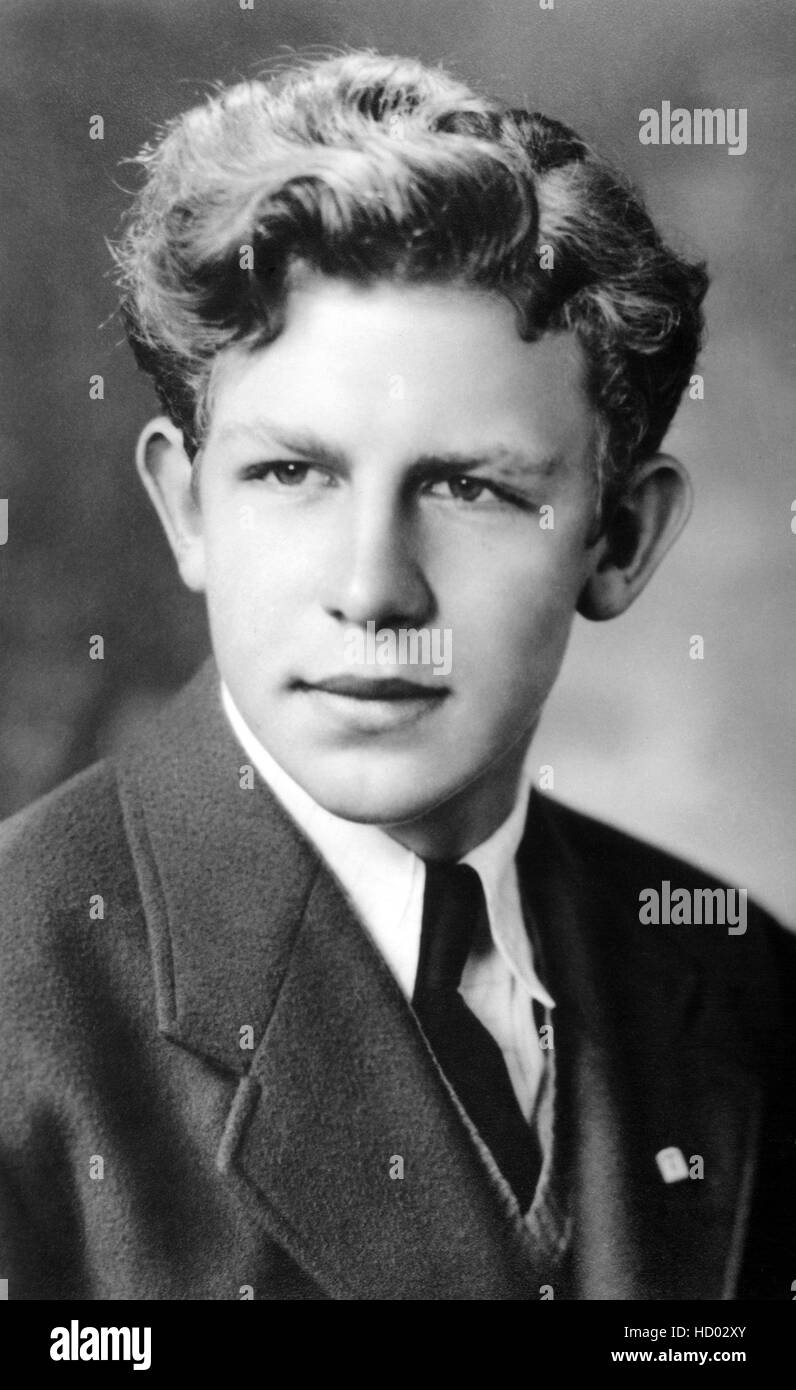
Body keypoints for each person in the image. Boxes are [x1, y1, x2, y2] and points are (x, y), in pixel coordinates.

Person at [1, 50, 793, 1301]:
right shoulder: (17, 1003)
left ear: (622, 537)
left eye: (469, 487)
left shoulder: (742, 980)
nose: (373, 589)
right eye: (291, 474)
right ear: (185, 507)